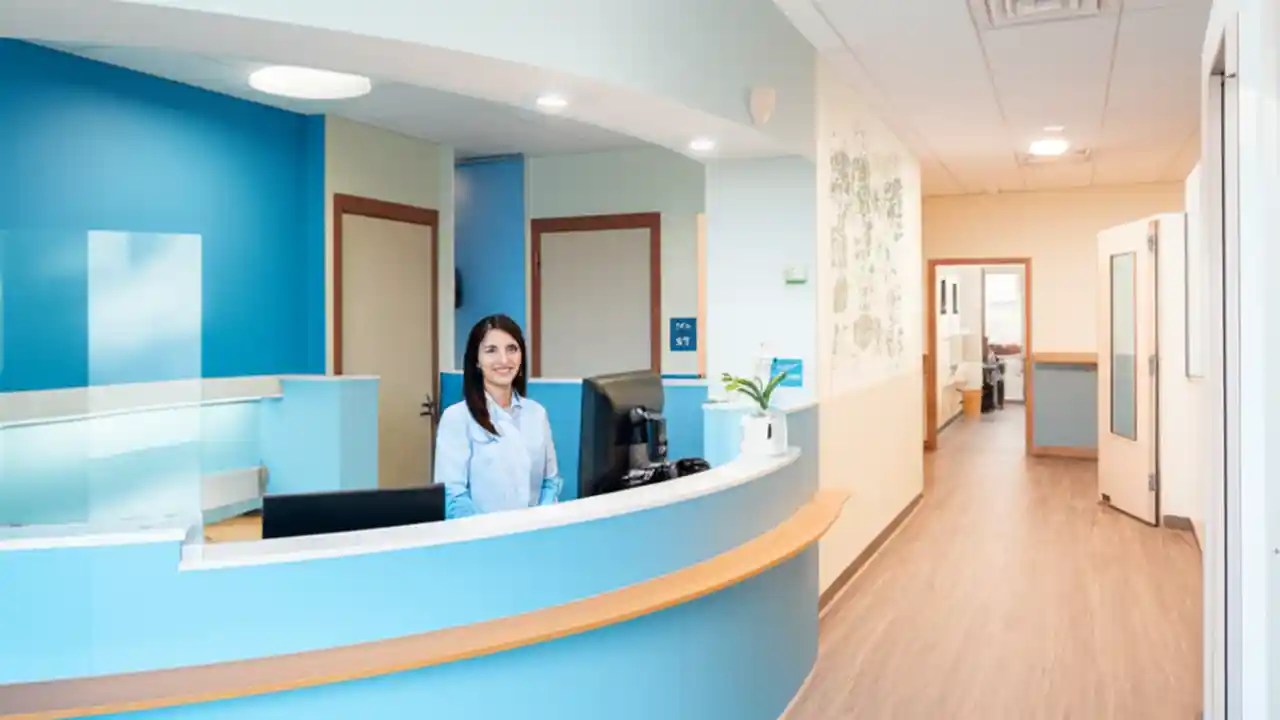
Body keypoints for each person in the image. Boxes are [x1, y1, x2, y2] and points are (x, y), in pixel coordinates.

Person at [434, 314, 563, 518]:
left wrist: (540, 521)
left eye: (512, 349)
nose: (504, 360)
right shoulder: (457, 418)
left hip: (534, 537)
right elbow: (453, 496)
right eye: (491, 350)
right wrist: (493, 535)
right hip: (483, 542)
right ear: (476, 360)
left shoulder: (536, 413)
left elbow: (551, 481)